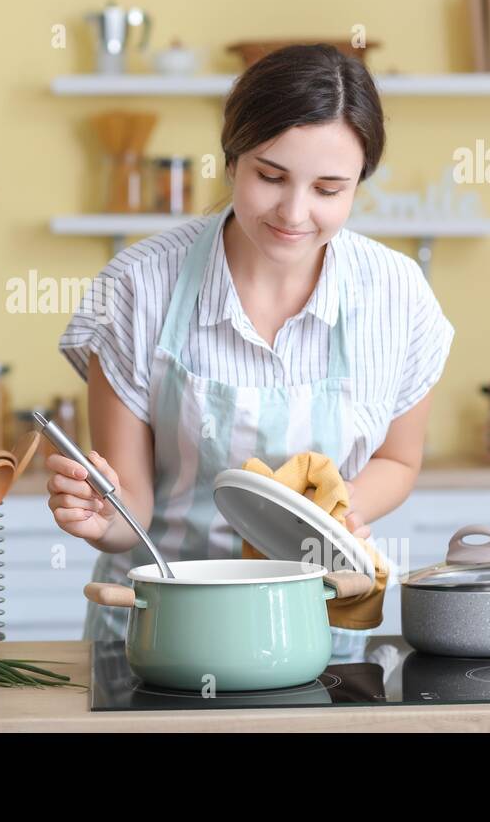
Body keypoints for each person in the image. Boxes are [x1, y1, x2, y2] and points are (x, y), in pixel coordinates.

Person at [52, 43, 455, 652]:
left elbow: (399, 462)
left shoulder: (397, 295)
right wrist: (99, 518)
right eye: (270, 176)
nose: (295, 212)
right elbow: (128, 502)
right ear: (231, 159)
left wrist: (330, 517)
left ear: (359, 184)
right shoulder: (138, 286)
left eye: (328, 189)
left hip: (316, 628)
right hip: (162, 631)